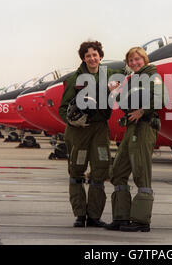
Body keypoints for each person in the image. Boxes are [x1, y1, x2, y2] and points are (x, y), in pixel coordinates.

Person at [58, 40, 122, 228]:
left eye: (95, 55)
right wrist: (72, 121)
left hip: (100, 129)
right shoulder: (73, 80)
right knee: (77, 170)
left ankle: (94, 216)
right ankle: (80, 215)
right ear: (83, 59)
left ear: (100, 56)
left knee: (100, 169)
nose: (92, 58)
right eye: (88, 56)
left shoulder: (111, 76)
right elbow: (63, 108)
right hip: (78, 131)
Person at [105, 47, 164, 232]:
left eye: (137, 59)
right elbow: (126, 104)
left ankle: (141, 221)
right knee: (118, 172)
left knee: (141, 173)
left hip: (144, 127)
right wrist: (115, 92)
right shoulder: (134, 79)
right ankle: (121, 217)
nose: (134, 63)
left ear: (144, 60)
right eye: (131, 60)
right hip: (131, 128)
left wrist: (142, 111)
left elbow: (161, 99)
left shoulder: (152, 76)